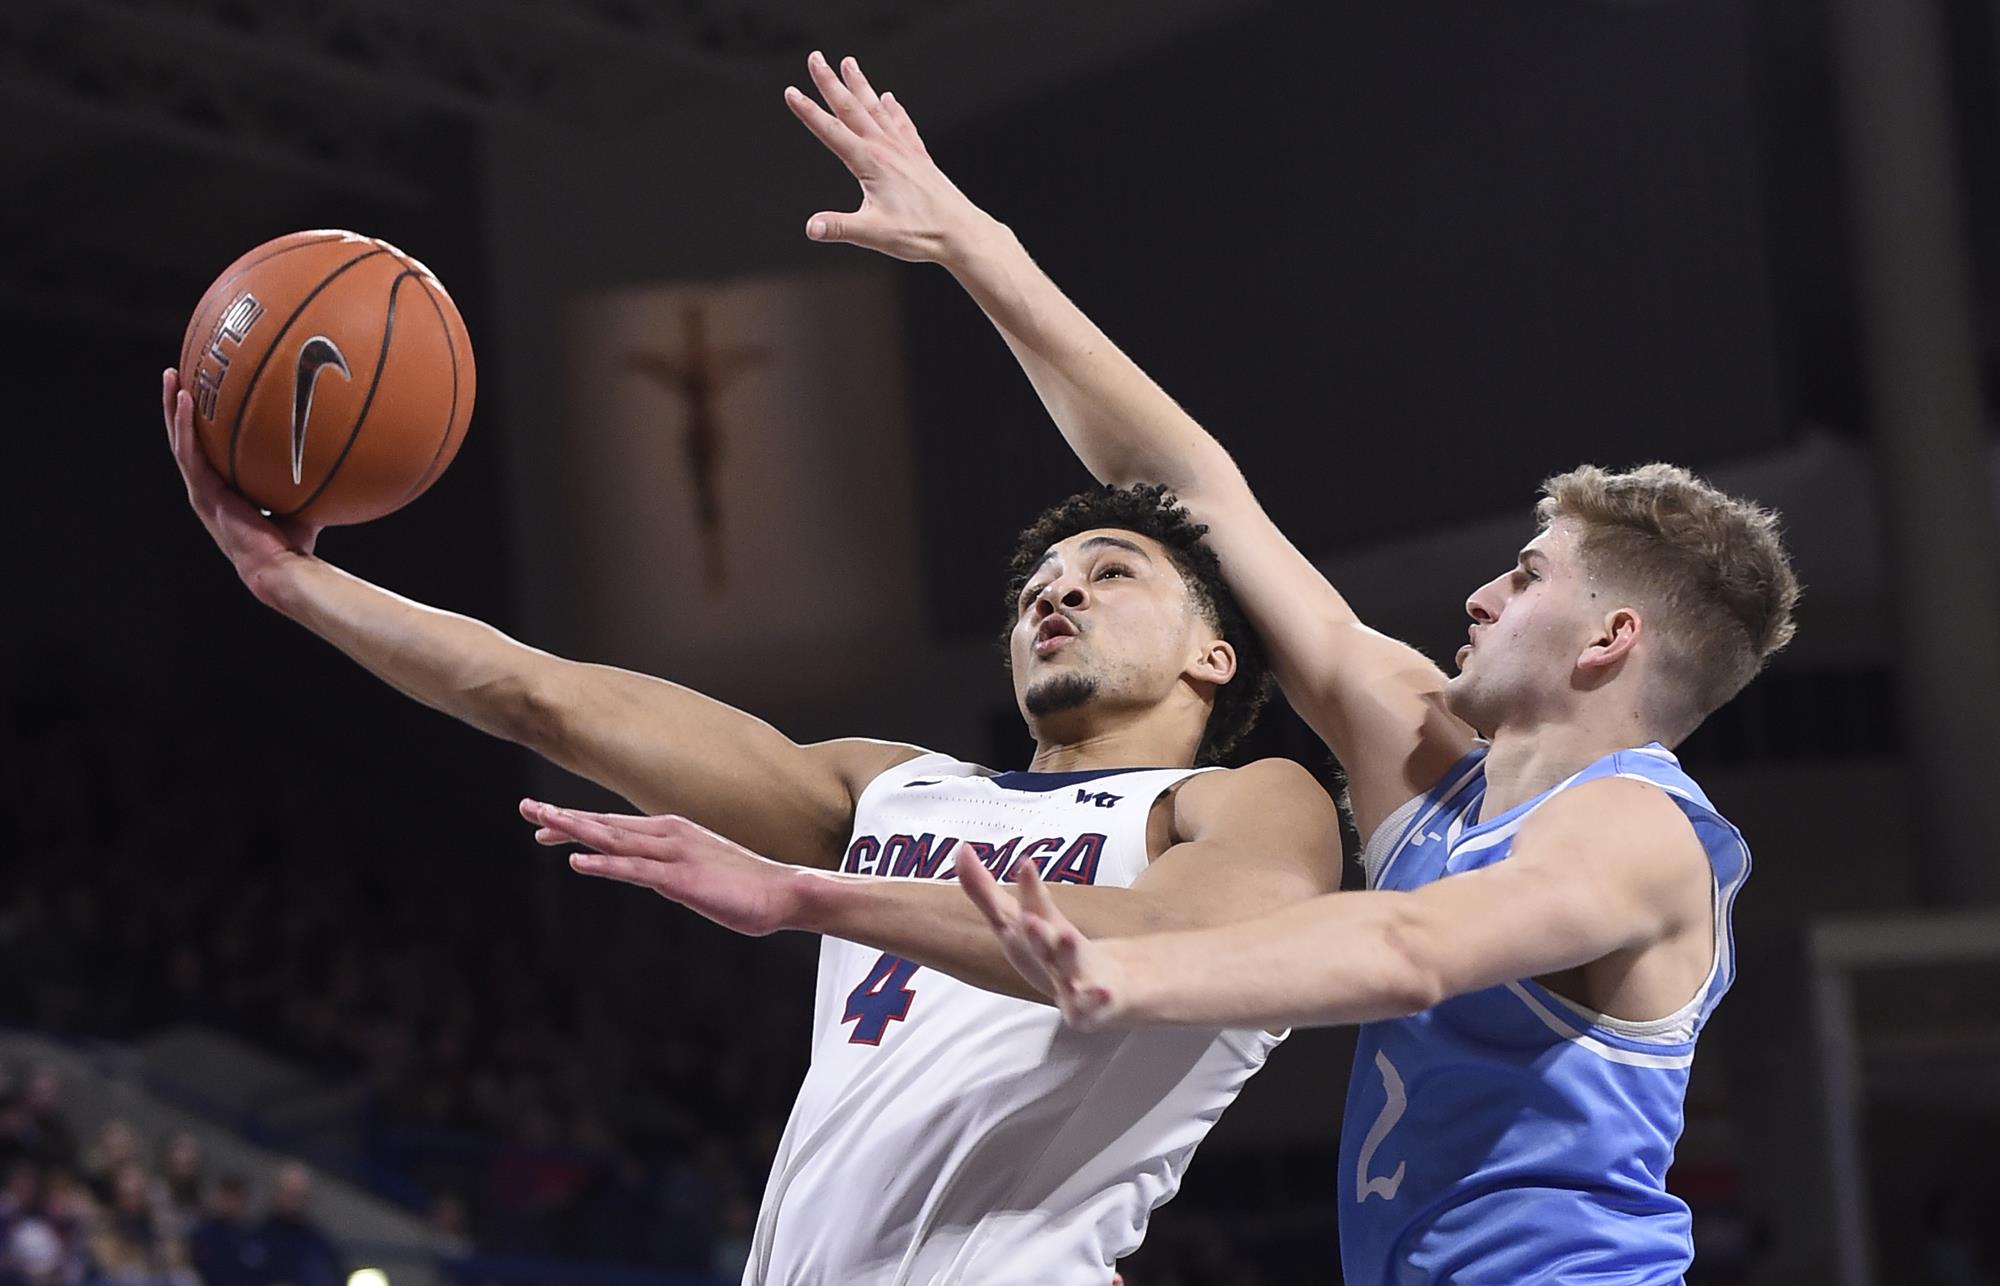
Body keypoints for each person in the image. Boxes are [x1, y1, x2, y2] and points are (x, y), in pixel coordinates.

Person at [783, 50, 1801, 1283]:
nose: (1481, 593)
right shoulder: (1434, 762)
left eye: (1527, 575)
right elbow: (1197, 494)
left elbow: (1408, 950)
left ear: (1608, 639)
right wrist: (975, 248)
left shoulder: (1637, 830)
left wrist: (1130, 967)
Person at [160, 357, 1340, 1283]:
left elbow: (1178, 940)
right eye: (1038, 585)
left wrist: (803, 895)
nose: (1057, 590)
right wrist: (298, 586)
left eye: (1110, 571)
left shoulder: (1237, 801)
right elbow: (544, 694)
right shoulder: (897, 786)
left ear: (1212, 652)